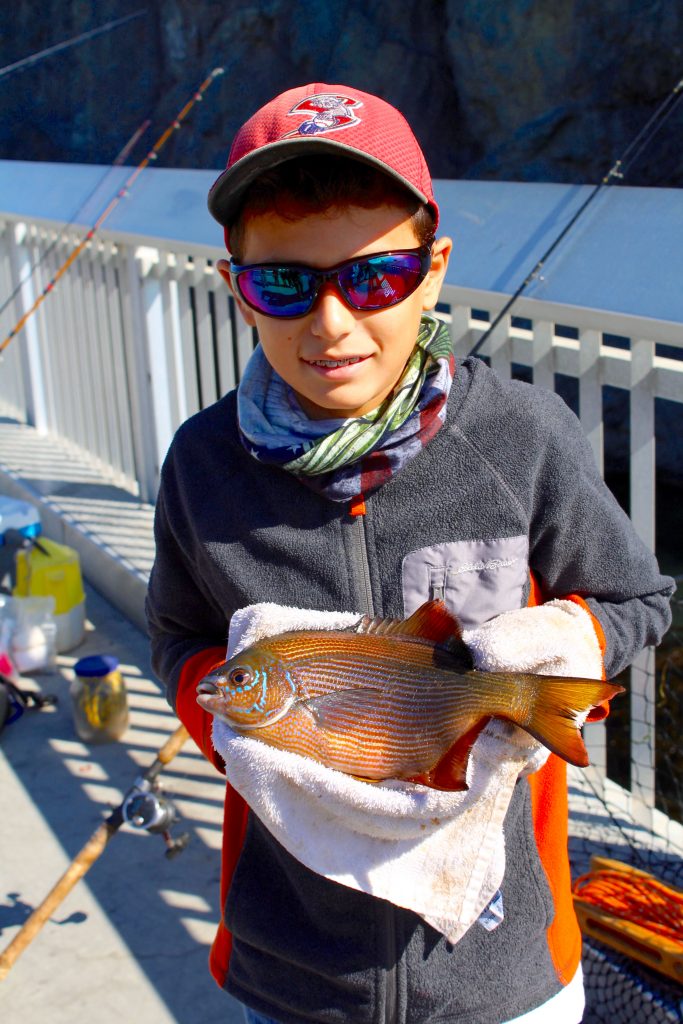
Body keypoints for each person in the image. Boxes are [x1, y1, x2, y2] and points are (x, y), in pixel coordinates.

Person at [146, 83, 674, 1024]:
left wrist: (562, 646)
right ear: (238, 289)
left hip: (504, 973)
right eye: (284, 284)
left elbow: (637, 598)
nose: (332, 322)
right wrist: (233, 723)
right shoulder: (202, 463)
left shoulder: (520, 437)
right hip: (288, 973)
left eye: (374, 277)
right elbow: (177, 627)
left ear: (432, 271)